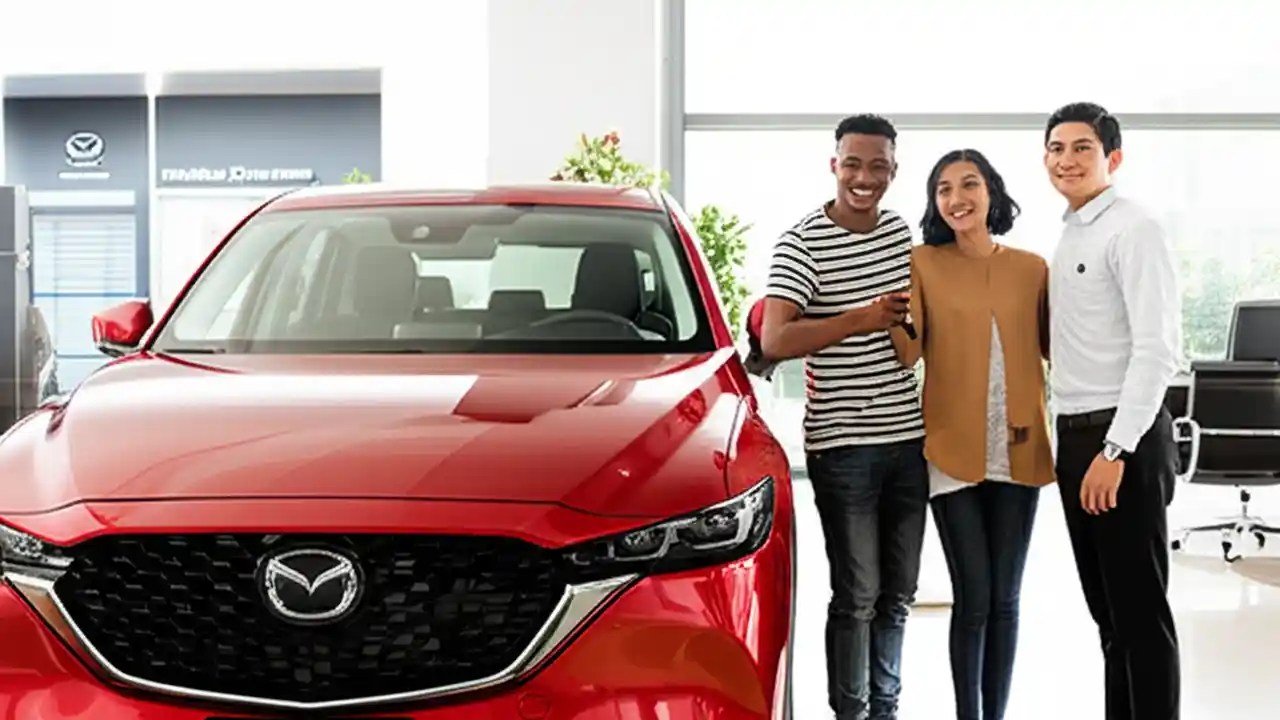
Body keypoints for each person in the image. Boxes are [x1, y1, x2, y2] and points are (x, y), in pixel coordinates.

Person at [760, 113, 926, 720]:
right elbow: (776, 339)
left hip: (908, 441)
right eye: (852, 164)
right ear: (834, 165)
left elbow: (912, 325)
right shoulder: (801, 241)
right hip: (843, 447)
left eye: (877, 165)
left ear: (892, 171)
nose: (864, 177)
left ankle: (887, 709)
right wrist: (859, 318)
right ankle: (851, 713)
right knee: (857, 596)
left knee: (898, 596)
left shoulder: (898, 233)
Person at [886, 149, 1054, 720]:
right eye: (943, 189)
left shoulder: (1032, 268)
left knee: (1007, 600)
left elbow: (1058, 349)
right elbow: (908, 351)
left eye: (969, 184)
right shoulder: (922, 262)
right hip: (951, 449)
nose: (956, 198)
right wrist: (889, 314)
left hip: (1021, 447)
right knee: (975, 597)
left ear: (992, 192)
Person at [1042, 101, 1183, 719]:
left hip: (1119, 441)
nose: (1065, 159)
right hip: (1076, 441)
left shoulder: (1134, 228)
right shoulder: (1073, 230)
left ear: (1112, 158)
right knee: (1109, 618)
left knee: (1141, 617)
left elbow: (1157, 352)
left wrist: (1115, 450)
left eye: (1081, 148)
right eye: (1055, 148)